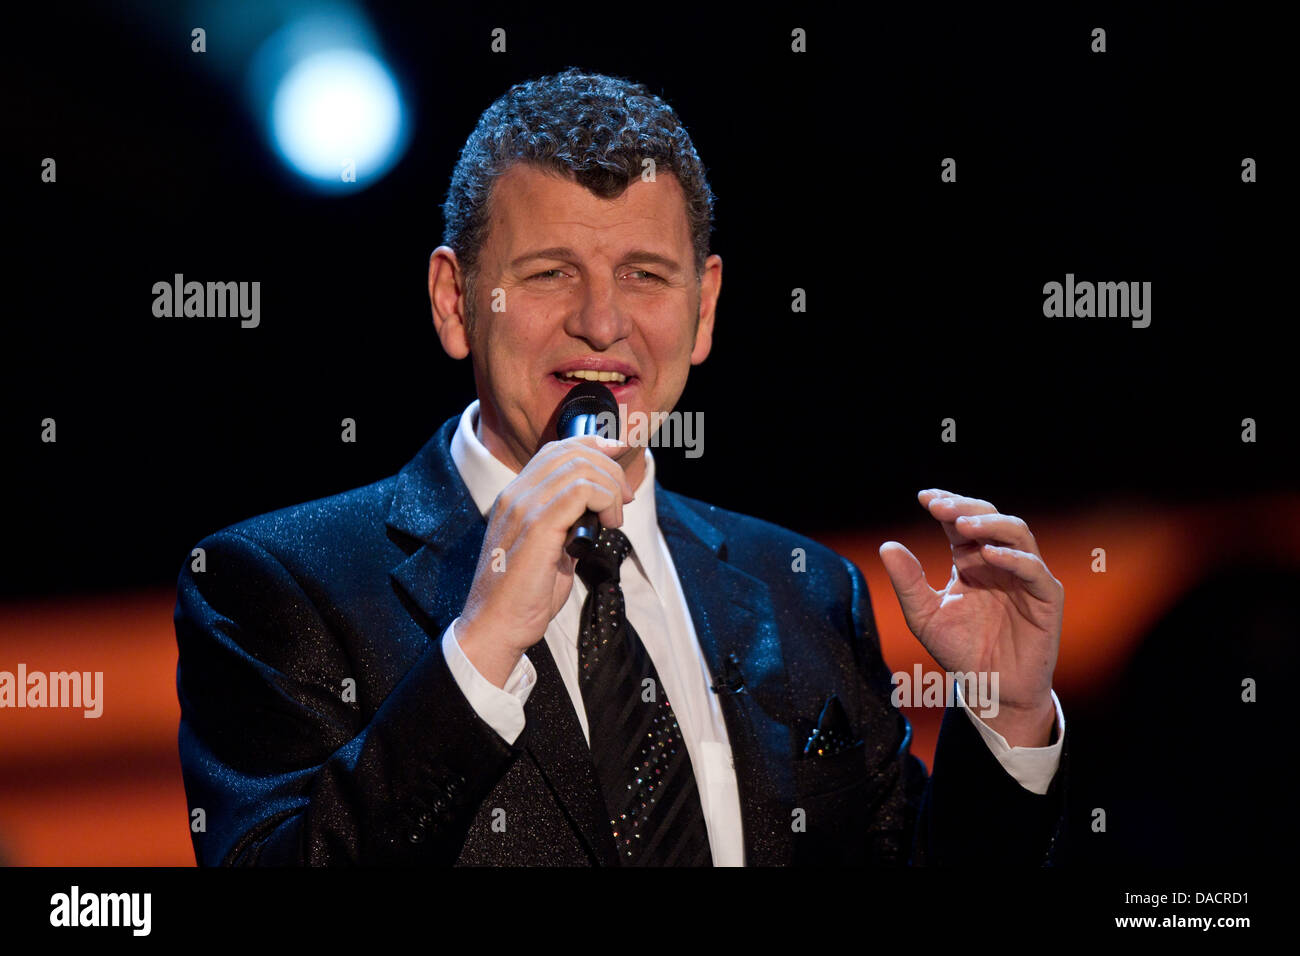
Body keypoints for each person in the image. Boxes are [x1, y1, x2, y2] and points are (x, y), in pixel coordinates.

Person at [174, 67, 1067, 866]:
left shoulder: (805, 591)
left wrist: (1008, 718)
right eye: (551, 273)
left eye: (644, 274)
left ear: (704, 307)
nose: (603, 323)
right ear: (455, 302)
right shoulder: (277, 585)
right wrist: (478, 651)